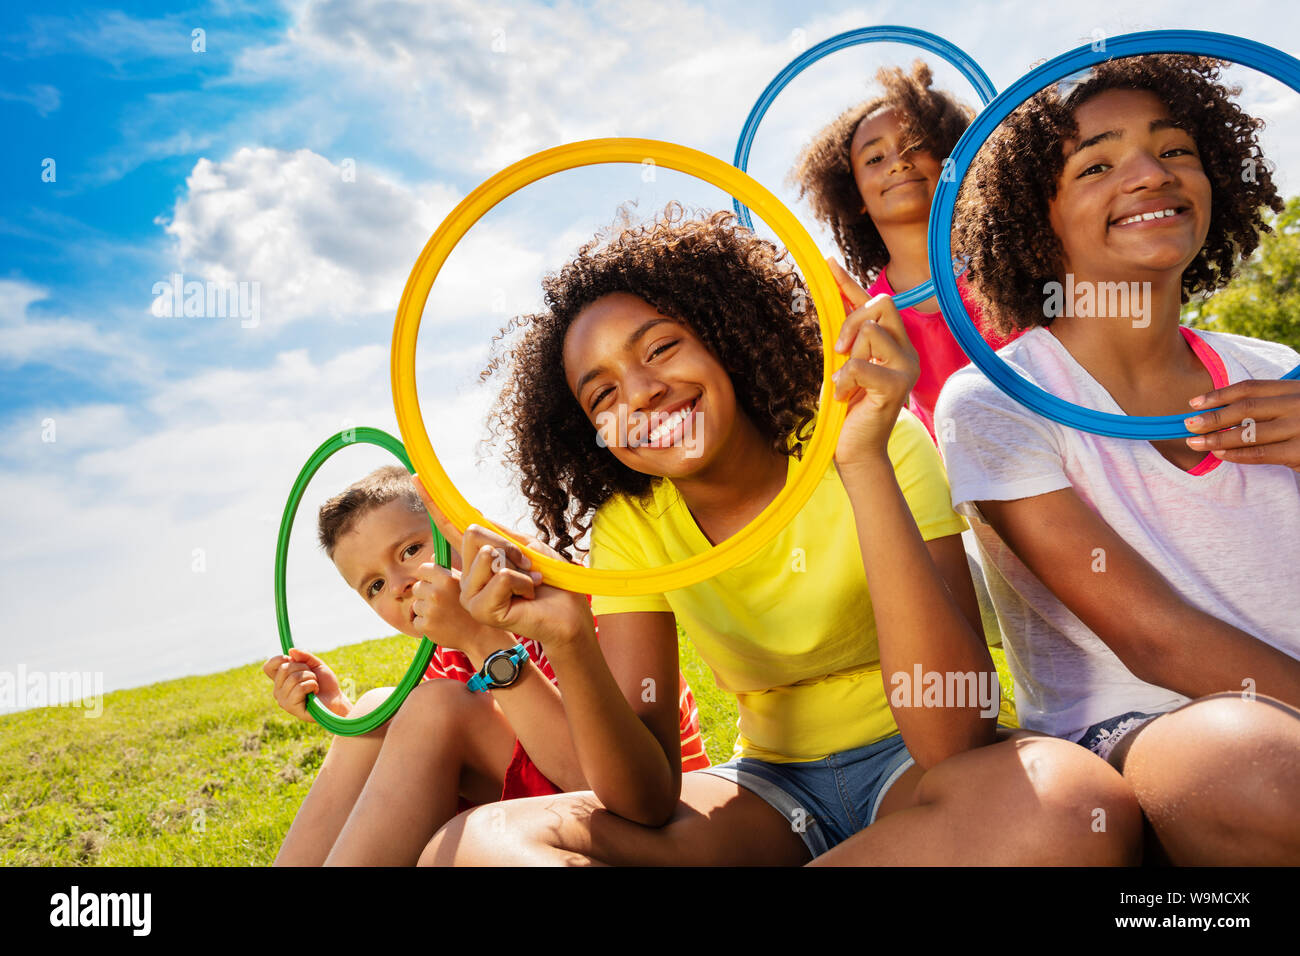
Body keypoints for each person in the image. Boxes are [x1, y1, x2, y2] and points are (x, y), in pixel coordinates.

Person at [418, 204, 1139, 866]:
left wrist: (860, 463)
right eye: (602, 392)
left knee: (1072, 806)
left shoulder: (870, 437)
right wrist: (571, 642)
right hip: (769, 794)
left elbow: (955, 740)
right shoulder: (632, 526)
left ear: (726, 337)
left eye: (661, 347)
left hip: (926, 778)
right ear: (593, 435)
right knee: (483, 842)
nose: (639, 391)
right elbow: (644, 801)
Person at [936, 54, 1300, 864]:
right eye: (1096, 163)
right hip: (1144, 729)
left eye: (1175, 150)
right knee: (1253, 763)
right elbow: (1155, 641)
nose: (1148, 175)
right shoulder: (996, 400)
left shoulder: (1275, 370)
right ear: (1040, 216)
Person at [264, 464, 708, 865]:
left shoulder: (555, 600)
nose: (399, 585)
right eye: (375, 586)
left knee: (435, 707)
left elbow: (609, 782)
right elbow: (439, 765)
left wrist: (482, 641)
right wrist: (344, 716)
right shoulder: (443, 654)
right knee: (374, 709)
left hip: (665, 819)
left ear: (453, 527)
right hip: (559, 813)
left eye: (410, 550)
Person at [788, 60, 1020, 440]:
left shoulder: (1019, 256)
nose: (899, 162)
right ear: (854, 194)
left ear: (951, 159)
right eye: (875, 158)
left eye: (917, 144)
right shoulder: (864, 315)